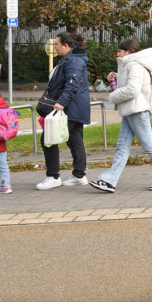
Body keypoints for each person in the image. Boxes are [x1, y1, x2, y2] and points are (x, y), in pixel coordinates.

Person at [89, 39, 152, 193]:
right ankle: (109, 180)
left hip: (137, 111)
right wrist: (115, 77)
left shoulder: (134, 66)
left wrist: (112, 96)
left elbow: (133, 90)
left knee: (148, 145)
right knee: (122, 146)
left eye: (120, 51)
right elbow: (129, 86)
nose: (117, 54)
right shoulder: (130, 65)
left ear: (128, 52)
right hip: (131, 111)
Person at [35, 30, 90, 189]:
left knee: (48, 139)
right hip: (76, 107)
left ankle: (53, 176)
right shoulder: (71, 59)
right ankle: (79, 175)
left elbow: (72, 84)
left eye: (57, 44)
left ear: (66, 45)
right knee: (74, 140)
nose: (54, 47)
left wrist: (61, 103)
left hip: (70, 108)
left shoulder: (73, 61)